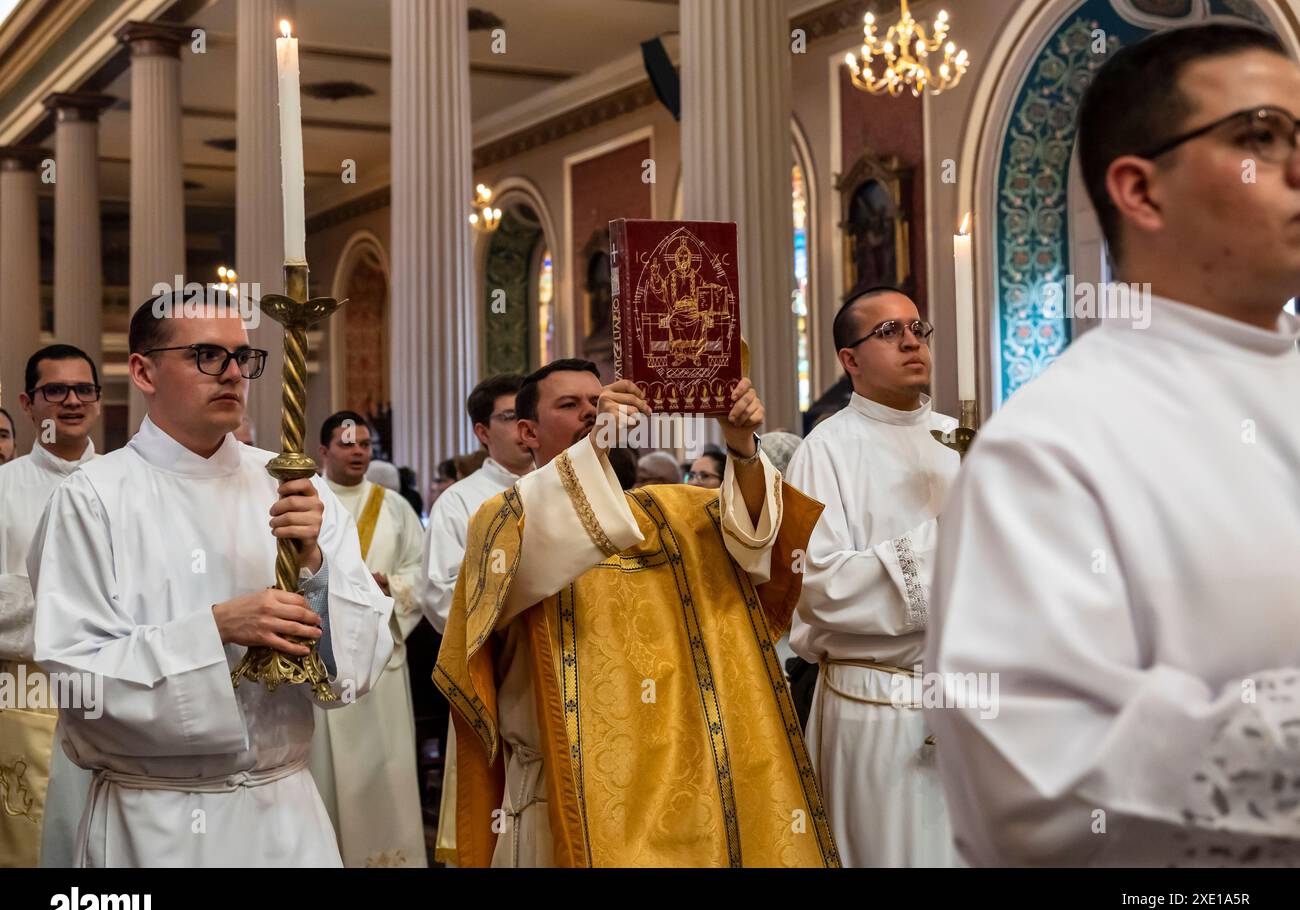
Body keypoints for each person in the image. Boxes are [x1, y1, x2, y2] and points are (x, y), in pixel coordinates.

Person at [928, 25, 1300, 865]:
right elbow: (1039, 784)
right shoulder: (1050, 448)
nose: (1297, 166)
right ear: (1141, 191)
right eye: (1259, 137)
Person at [27, 291, 394, 867]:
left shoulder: (296, 488)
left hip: (286, 812)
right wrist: (217, 627)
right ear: (144, 371)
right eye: (206, 355)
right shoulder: (93, 498)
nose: (231, 373)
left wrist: (315, 571)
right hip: (155, 820)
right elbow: (78, 676)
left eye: (243, 358)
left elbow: (358, 668)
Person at [435, 358, 838, 867]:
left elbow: (758, 547)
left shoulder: (676, 510)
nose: (595, 409)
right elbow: (533, 544)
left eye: (598, 399)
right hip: (562, 799)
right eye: (571, 405)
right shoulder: (503, 519)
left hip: (690, 799)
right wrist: (595, 444)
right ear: (527, 432)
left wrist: (741, 447)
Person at [784, 287, 960, 867]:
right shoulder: (826, 451)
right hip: (875, 705)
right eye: (888, 332)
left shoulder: (963, 441)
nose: (912, 340)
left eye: (917, 328)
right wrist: (950, 540)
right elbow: (823, 589)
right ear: (849, 360)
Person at [418, 373, 533, 865]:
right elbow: (439, 594)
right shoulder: (460, 502)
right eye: (510, 418)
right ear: (483, 432)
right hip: (493, 672)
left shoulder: (564, 488)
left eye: (528, 416)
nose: (524, 429)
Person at [310, 410, 427, 867]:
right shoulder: (306, 500)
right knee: (325, 772)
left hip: (382, 661)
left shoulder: (394, 506)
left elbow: (421, 574)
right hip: (321, 657)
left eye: (364, 444)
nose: (358, 451)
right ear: (324, 451)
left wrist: (391, 588)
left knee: (387, 768)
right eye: (347, 443)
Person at [0, 345, 102, 867]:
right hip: (23, 698)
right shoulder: (3, 487)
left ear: (99, 402)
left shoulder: (124, 485)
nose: (71, 400)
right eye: (54, 390)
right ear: (28, 403)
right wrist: (86, 612)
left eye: (83, 389)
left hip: (114, 703)